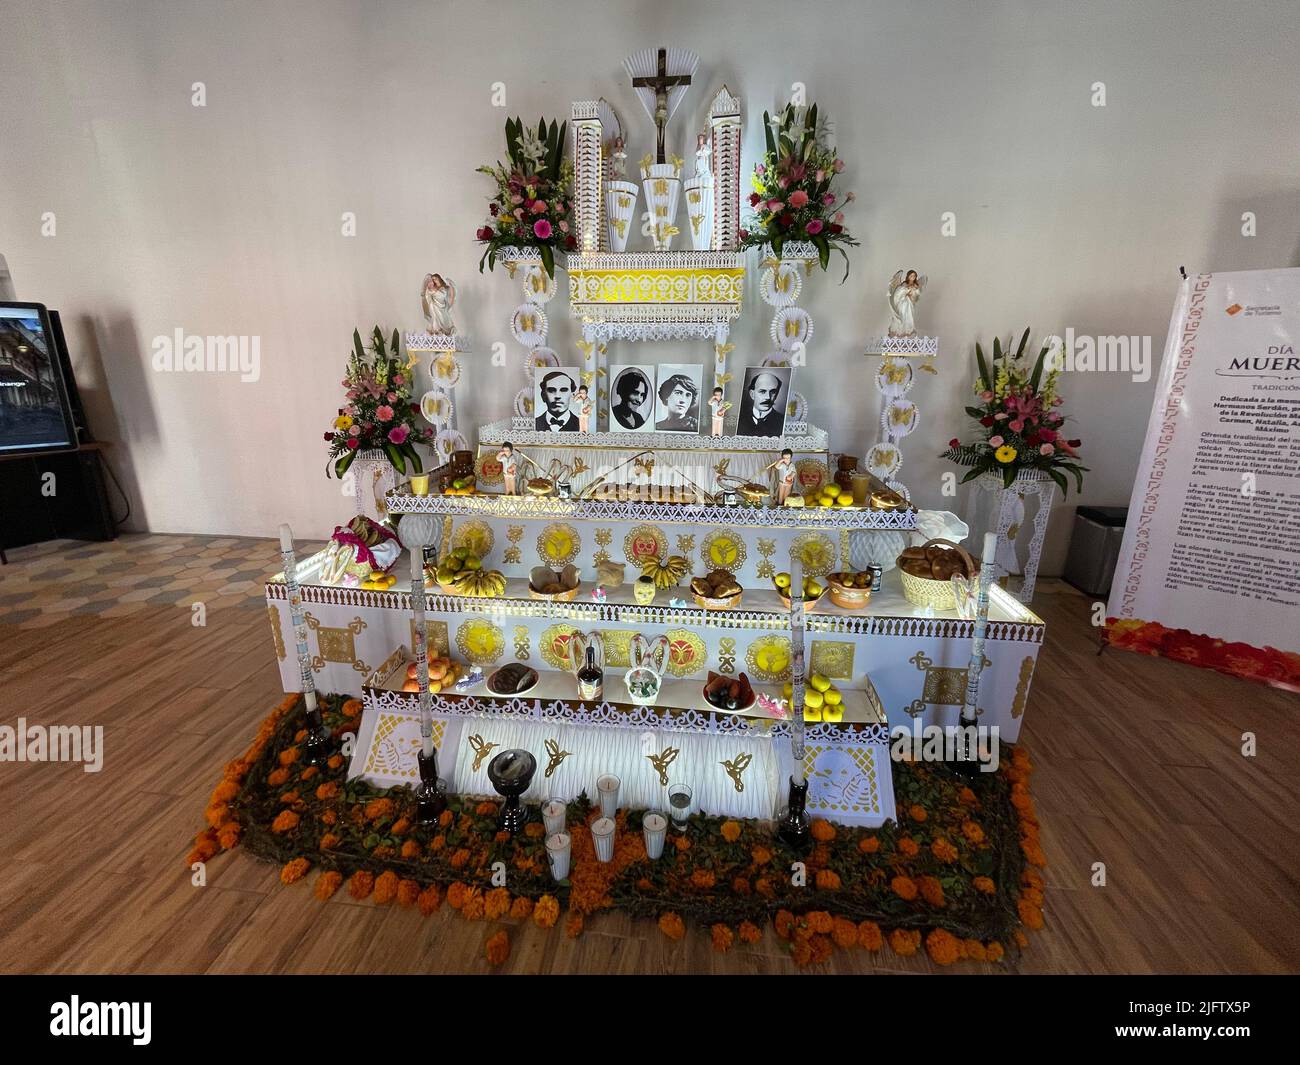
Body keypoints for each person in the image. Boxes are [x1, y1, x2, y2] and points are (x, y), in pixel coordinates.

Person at [739, 370, 785, 436]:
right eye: (762, 391)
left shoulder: (782, 421)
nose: (768, 397)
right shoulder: (739, 419)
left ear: (777, 394)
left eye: (773, 392)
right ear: (752, 394)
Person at [887, 269, 926, 337]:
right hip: (903, 303)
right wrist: (907, 290)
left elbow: (917, 294)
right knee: (902, 316)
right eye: (911, 276)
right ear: (908, 276)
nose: (912, 277)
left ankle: (908, 330)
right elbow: (898, 293)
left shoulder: (915, 285)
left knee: (909, 317)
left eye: (914, 276)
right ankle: (899, 331)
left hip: (910, 303)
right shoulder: (904, 284)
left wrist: (915, 290)